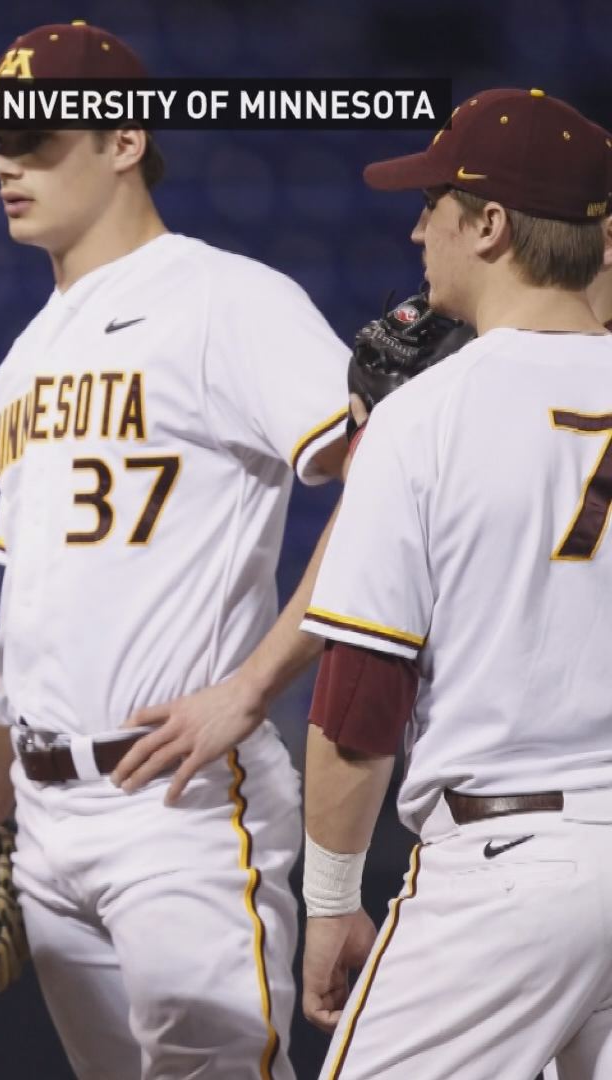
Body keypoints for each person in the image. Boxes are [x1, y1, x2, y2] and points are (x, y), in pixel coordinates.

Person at [0, 22, 351, 1079]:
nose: (2, 163)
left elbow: (395, 487)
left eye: (35, 139)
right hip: (45, 817)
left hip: (182, 806)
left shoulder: (226, 298)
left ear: (124, 138)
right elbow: (23, 615)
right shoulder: (23, 358)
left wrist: (253, 685)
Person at [299, 88, 612, 1079]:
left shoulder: (426, 416)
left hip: (508, 874)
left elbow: (358, 702)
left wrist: (332, 900)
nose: (413, 225)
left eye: (433, 201)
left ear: (491, 225)